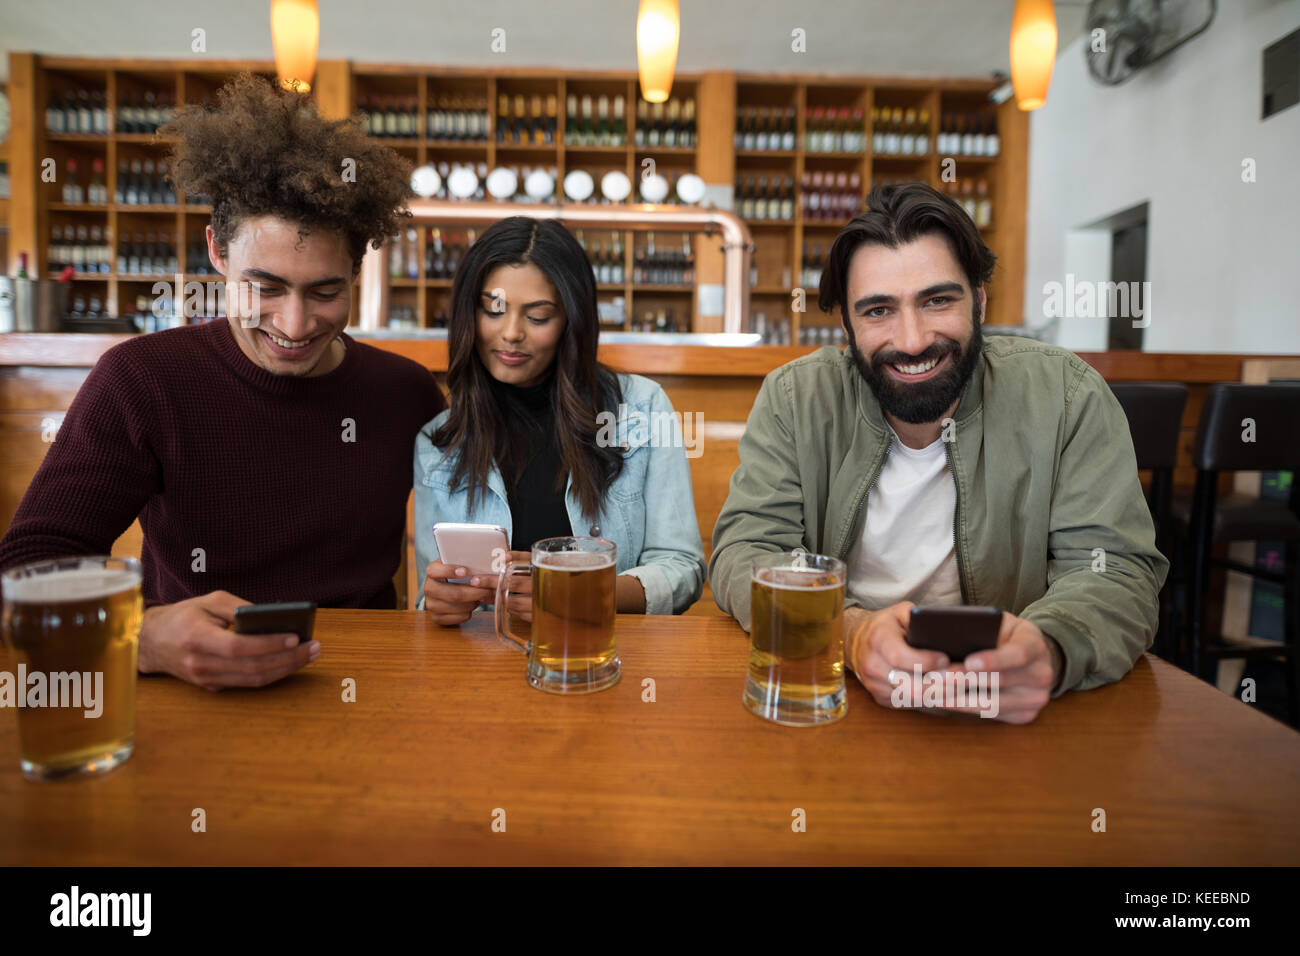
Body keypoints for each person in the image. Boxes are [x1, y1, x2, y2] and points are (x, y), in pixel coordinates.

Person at [0, 74, 444, 690]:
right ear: (216, 251)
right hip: (187, 688)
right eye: (263, 287)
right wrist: (143, 636)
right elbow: (28, 567)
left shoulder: (407, 394)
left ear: (357, 269)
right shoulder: (143, 380)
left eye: (325, 291)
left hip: (366, 684)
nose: (294, 324)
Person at [709, 182, 1168, 724]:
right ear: (848, 328)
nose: (911, 339)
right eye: (878, 310)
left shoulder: (1067, 397)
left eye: (937, 300)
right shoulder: (794, 399)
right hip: (839, 693)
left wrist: (1051, 648)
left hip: (1014, 708)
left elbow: (1114, 568)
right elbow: (746, 549)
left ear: (980, 298)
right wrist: (850, 633)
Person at [414, 216, 705, 622]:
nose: (511, 333)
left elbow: (681, 569)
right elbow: (434, 597)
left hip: (604, 659)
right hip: (481, 668)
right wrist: (437, 603)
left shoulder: (642, 408)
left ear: (571, 320)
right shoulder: (439, 439)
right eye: (493, 310)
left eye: (537, 316)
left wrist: (582, 593)